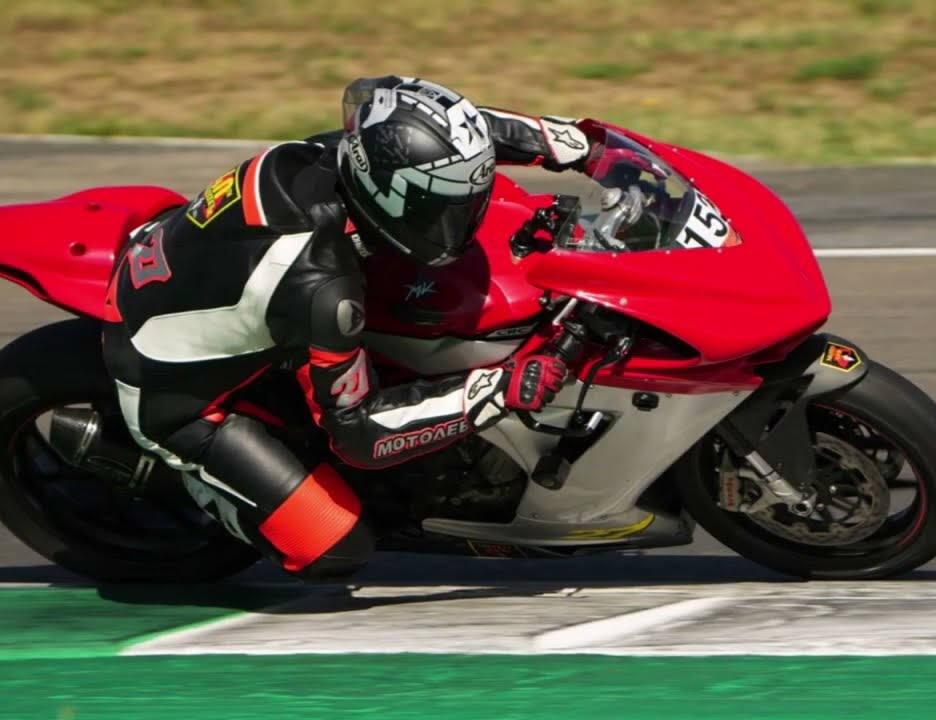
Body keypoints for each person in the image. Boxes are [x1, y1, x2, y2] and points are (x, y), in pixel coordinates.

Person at [101, 76, 607, 580]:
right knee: (335, 546)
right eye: (447, 209)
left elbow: (464, 134)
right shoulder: (323, 287)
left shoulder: (349, 151)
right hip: (175, 394)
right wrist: (497, 389)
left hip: (204, 273)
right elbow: (360, 436)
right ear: (392, 198)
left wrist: (572, 143)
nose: (466, 218)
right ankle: (182, 478)